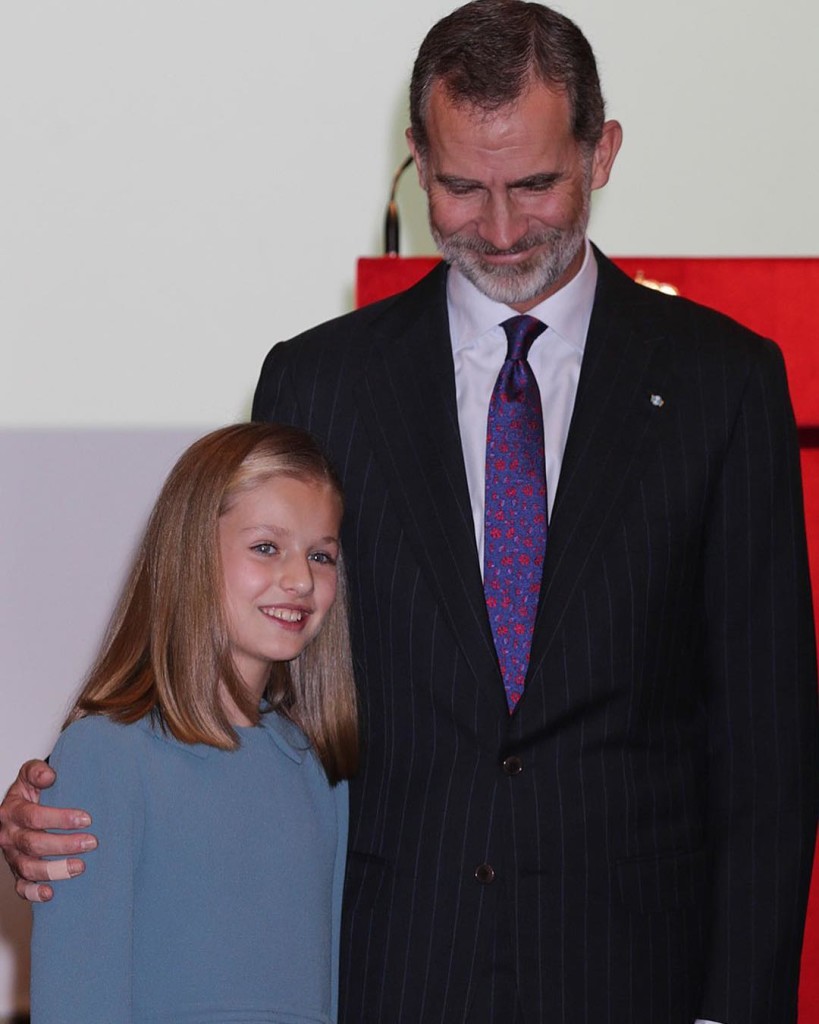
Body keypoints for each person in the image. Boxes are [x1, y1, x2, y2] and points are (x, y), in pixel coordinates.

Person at [3, 2, 818, 1022]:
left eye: (536, 184)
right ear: (415, 161)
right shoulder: (319, 381)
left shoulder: (724, 384)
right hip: (385, 972)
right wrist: (67, 808)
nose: (505, 229)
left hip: (636, 977)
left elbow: (768, 750)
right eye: (461, 188)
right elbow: (252, 691)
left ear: (601, 152)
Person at [27, 423, 358, 1022]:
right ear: (189, 550)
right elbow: (78, 997)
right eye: (266, 547)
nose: (301, 579)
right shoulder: (106, 754)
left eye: (321, 555)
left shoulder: (317, 770)